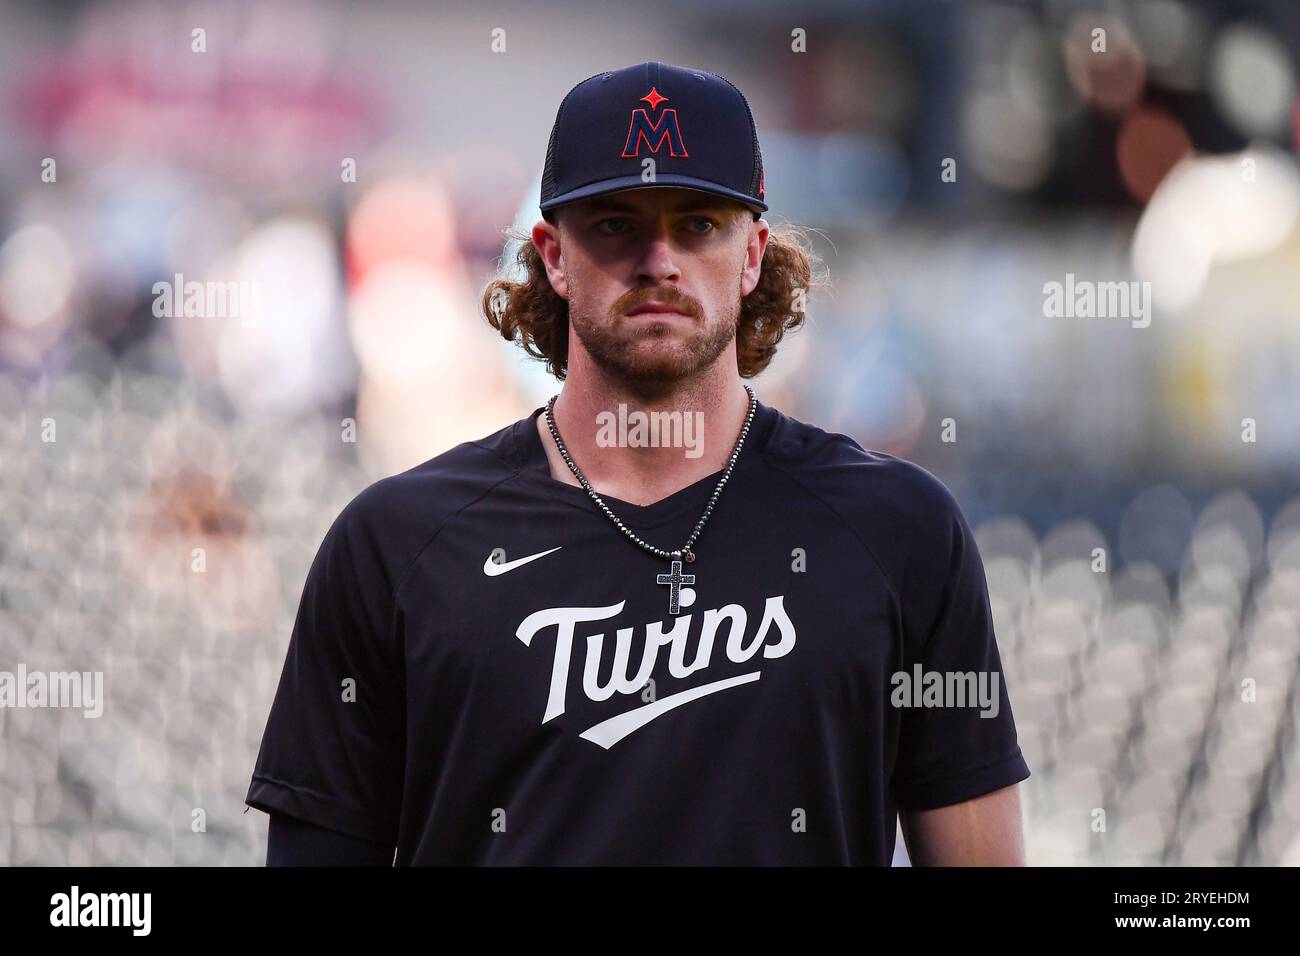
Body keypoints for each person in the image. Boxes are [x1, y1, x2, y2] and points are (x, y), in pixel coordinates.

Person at [246, 60, 1030, 865]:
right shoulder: (394, 545)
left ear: (754, 253)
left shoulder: (899, 530)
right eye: (616, 224)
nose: (660, 259)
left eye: (698, 224)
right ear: (551, 255)